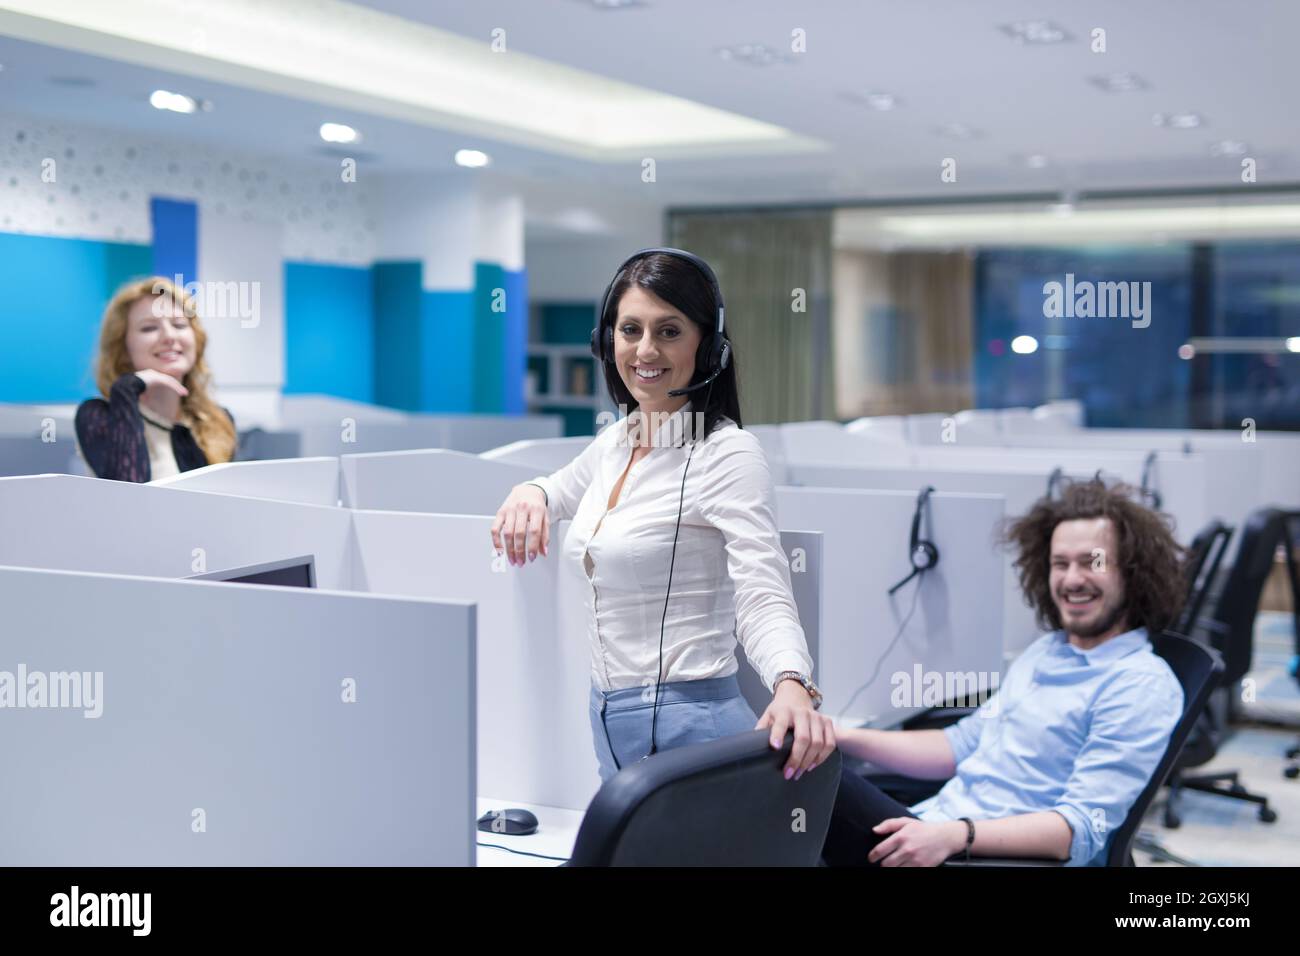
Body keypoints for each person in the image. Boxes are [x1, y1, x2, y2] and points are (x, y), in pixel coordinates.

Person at [490, 249, 835, 784]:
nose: (645, 349)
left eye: (669, 331)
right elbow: (556, 489)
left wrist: (792, 680)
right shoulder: (615, 443)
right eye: (630, 329)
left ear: (708, 348)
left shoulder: (727, 453)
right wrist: (528, 489)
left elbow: (762, 589)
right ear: (608, 342)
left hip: (693, 725)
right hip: (607, 720)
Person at [821, 478, 1187, 866]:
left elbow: (1077, 830)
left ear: (1133, 573)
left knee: (802, 779)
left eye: (1092, 562)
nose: (1072, 579)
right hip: (936, 831)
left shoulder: (1139, 684)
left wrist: (956, 835)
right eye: (1060, 564)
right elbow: (959, 747)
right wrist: (841, 737)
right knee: (803, 774)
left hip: (978, 856)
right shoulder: (1048, 651)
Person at [75, 277, 237, 482]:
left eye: (179, 325)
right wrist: (126, 389)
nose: (169, 336)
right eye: (149, 328)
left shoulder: (217, 420)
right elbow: (128, 495)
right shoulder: (99, 417)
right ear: (123, 347)